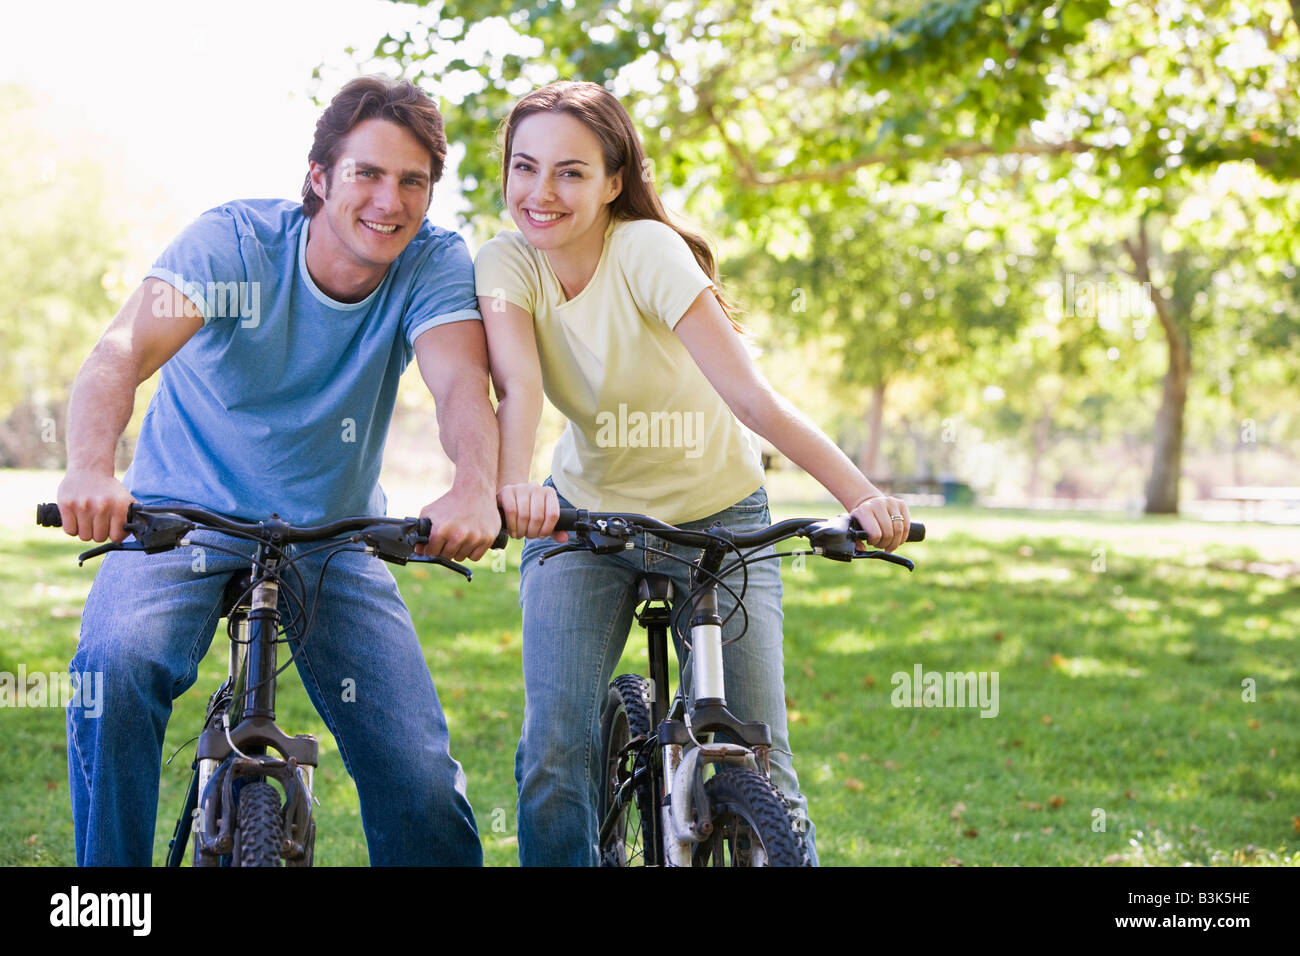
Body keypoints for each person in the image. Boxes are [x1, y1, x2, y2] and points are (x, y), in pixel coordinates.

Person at [57, 76, 497, 866]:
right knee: (114, 667)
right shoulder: (233, 244)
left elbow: (461, 385)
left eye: (412, 181)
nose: (388, 201)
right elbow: (120, 351)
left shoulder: (432, 261)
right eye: (367, 173)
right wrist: (91, 468)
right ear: (321, 176)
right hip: (180, 522)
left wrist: (472, 485)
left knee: (420, 778)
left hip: (332, 536)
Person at [475, 81, 912, 866]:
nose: (541, 193)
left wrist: (865, 498)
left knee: (759, 756)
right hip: (586, 522)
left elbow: (751, 397)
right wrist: (516, 485)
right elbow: (522, 387)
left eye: (571, 172)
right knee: (554, 755)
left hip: (720, 519)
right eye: (524, 167)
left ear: (614, 182)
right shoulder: (506, 262)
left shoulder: (645, 250)